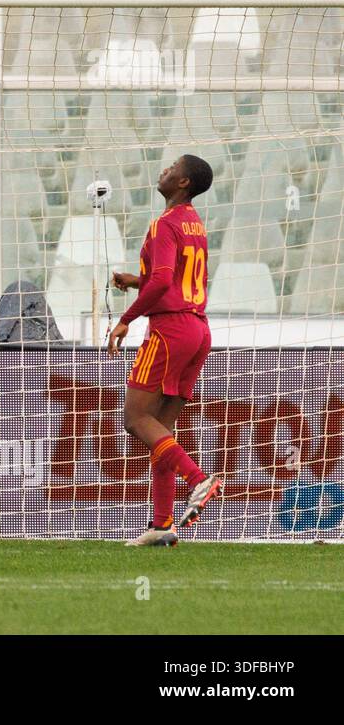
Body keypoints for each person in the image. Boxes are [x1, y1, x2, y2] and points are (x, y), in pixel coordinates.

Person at [108, 154, 224, 546]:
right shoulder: (195, 224)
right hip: (197, 329)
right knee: (162, 430)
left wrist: (127, 318)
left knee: (135, 418)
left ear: (183, 183)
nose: (165, 169)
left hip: (170, 330)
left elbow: (161, 283)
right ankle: (162, 525)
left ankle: (198, 479)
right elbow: (169, 279)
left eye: (173, 167)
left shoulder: (164, 224)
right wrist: (136, 279)